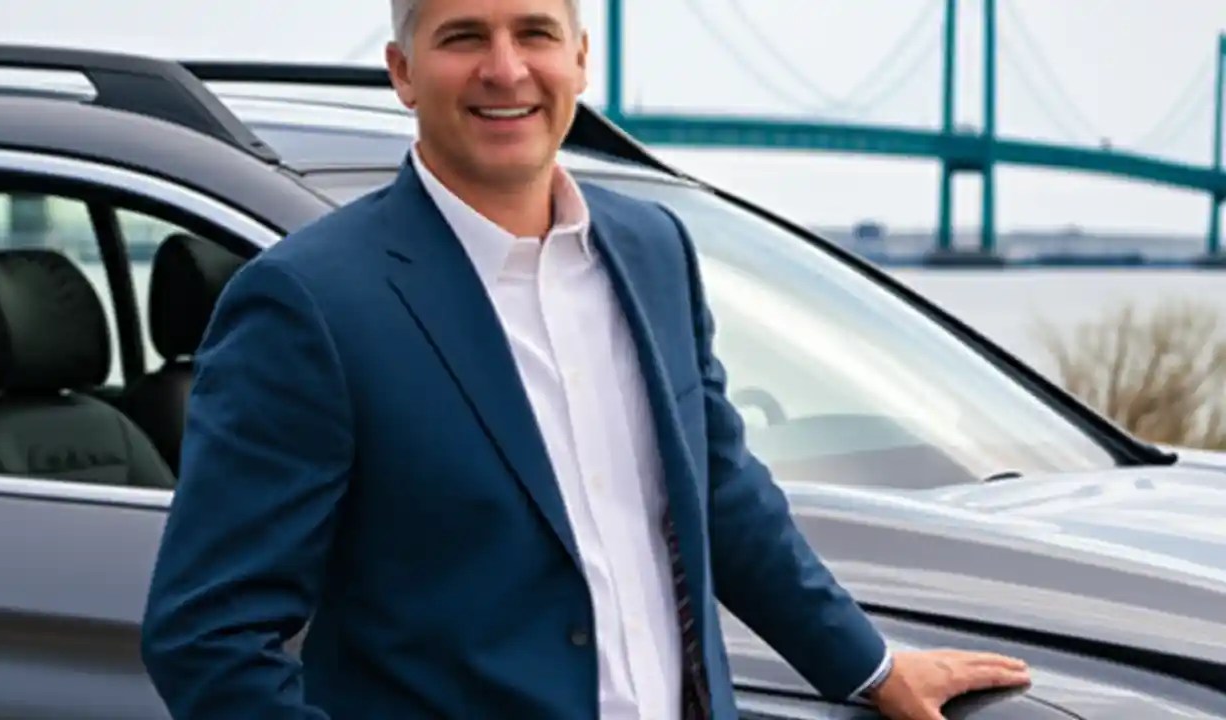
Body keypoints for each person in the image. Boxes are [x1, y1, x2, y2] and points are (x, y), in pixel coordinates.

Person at [138, 0, 1032, 718]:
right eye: (462, 37)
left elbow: (719, 489)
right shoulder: (308, 302)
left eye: (535, 32)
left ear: (580, 58)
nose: (505, 68)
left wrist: (869, 667)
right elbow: (206, 637)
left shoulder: (652, 248)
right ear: (403, 73)